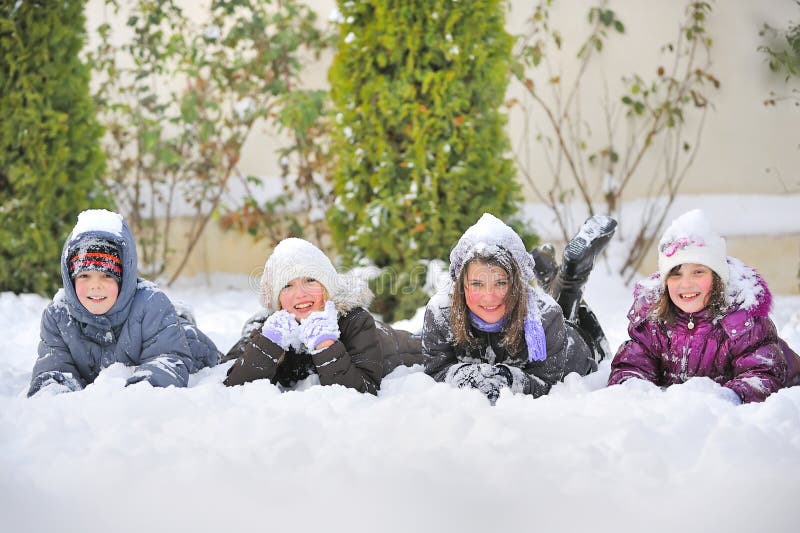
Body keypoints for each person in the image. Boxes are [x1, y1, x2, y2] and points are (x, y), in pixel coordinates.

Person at [608, 209, 800, 403]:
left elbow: (764, 372)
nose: (686, 284)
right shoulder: (653, 321)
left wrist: (731, 396)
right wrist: (632, 387)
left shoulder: (742, 321)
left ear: (716, 277)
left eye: (698, 272)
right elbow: (632, 364)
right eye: (676, 274)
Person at [422, 212, 616, 403]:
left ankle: (571, 278)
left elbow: (548, 382)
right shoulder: (441, 313)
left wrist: (508, 378)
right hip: (537, 315)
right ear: (461, 285)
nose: (489, 297)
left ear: (516, 283)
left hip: (571, 347)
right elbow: (435, 370)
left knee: (568, 315)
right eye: (477, 284)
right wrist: (468, 375)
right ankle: (549, 275)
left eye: (500, 283)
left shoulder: (545, 316)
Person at [28, 209, 220, 397]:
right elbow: (53, 366)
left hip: (183, 340)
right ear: (70, 280)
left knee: (185, 332)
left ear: (123, 279)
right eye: (84, 275)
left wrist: (139, 390)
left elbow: (169, 358)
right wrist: (53, 391)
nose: (95, 286)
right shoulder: (59, 315)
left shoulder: (151, 304)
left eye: (106, 275)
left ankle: (180, 314)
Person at [222, 237, 422, 394]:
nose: (300, 294)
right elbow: (230, 384)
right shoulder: (265, 327)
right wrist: (268, 344)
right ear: (278, 299)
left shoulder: (354, 321)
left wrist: (326, 346)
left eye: (310, 280)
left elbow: (363, 393)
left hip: (409, 348)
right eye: (287, 285)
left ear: (327, 287)